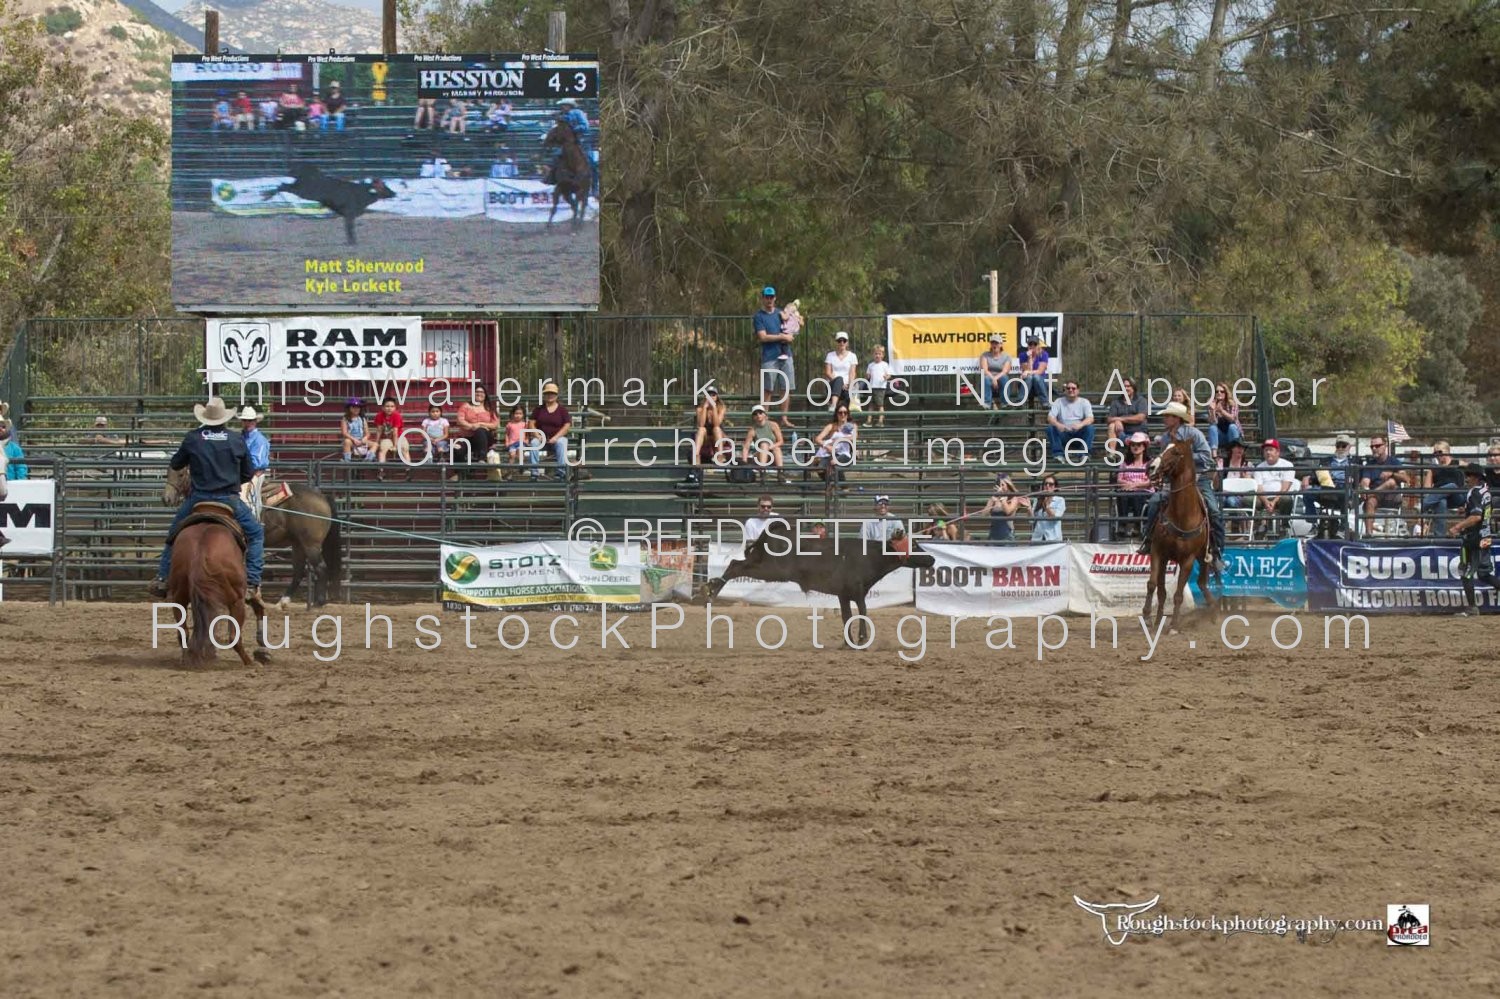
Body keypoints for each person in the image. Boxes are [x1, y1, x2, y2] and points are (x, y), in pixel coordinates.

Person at [148, 398, 264, 601]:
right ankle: (253, 582)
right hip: (228, 499)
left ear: (205, 417)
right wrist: (232, 479)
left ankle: (163, 577)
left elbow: (176, 463)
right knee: (256, 534)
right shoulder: (236, 439)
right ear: (224, 418)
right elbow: (247, 473)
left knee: (173, 535)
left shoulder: (193, 438)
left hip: (198, 499)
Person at [1137, 401, 1225, 571]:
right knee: (1154, 502)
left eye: (1168, 416)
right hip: (1174, 481)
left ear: (1177, 418)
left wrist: (1184, 457)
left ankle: (1217, 551)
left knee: (1214, 510)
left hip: (1198, 479)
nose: (1164, 418)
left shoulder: (1194, 434)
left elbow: (1207, 457)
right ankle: (1148, 540)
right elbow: (1166, 462)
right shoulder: (1165, 438)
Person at [1449, 462, 1500, 616]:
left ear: (1475, 477)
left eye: (1468, 475)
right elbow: (1481, 511)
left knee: (1466, 572)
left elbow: (1476, 516)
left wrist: (1457, 527)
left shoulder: (1475, 492)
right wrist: (1466, 509)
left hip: (1474, 539)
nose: (1466, 478)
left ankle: (1472, 607)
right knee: (1484, 574)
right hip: (1485, 536)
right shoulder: (1485, 490)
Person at [755, 287, 796, 427]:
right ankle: (763, 419)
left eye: (771, 297)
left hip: (786, 355)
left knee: (786, 388)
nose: (769, 300)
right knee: (768, 389)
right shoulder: (759, 316)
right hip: (769, 357)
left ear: (775, 298)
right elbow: (763, 337)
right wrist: (781, 337)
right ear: (763, 298)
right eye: (767, 297)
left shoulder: (781, 313)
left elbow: (792, 326)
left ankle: (784, 418)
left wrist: (791, 334)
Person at [1302, 432, 1356, 539]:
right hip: (1325, 486)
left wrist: (1352, 479)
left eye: (1343, 446)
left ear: (1349, 447)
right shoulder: (1325, 461)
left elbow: (1358, 477)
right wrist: (1307, 477)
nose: (1340, 448)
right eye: (1338, 446)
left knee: (1345, 493)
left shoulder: (1354, 462)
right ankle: (1314, 524)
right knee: (1307, 493)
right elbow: (1315, 475)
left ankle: (1343, 525)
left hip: (1343, 487)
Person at [1358, 432, 1406, 535]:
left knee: (1391, 482)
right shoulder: (1370, 465)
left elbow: (1406, 478)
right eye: (1372, 446)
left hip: (1392, 496)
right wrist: (1364, 487)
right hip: (1376, 497)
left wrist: (1392, 474)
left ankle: (1372, 493)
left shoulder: (1394, 461)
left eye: (1377, 446)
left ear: (1385, 446)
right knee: (1370, 501)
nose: (1374, 448)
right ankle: (1369, 535)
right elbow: (1365, 481)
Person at [1252, 439, 1298, 539]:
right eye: (1266, 450)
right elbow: (1258, 487)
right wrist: (1266, 502)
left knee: (1286, 499)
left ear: (1278, 452)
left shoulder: (1287, 465)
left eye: (1271, 449)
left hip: (1280, 496)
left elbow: (1285, 487)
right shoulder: (1259, 467)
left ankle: (1284, 526)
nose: (1268, 452)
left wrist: (1274, 502)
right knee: (1248, 500)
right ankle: (1260, 525)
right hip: (1263, 497)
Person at [1420, 440, 1466, 538]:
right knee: (1441, 502)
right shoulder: (1433, 469)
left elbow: (1474, 472)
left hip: (1456, 496)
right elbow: (1427, 488)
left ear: (1447, 451)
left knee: (1452, 486)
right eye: (1435, 453)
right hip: (1440, 498)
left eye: (1440, 452)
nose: (1437, 455)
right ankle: (1439, 537)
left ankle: (1424, 506)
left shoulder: (1458, 463)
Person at [529, 382, 572, 481]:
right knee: (534, 443)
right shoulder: (538, 409)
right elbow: (531, 423)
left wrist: (556, 437)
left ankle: (561, 473)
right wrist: (537, 435)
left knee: (562, 443)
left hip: (558, 438)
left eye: (552, 393)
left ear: (556, 395)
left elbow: (567, 425)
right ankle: (534, 473)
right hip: (541, 438)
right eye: (547, 393)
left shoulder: (562, 410)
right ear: (544, 395)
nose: (550, 395)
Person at [1114, 432, 1152, 536]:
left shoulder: (1150, 463)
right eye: (1133, 445)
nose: (1135, 447)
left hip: (1144, 491)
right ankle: (1122, 525)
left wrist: (1135, 485)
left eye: (1139, 445)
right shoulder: (1125, 463)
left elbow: (1151, 481)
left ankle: (1137, 525)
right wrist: (1128, 484)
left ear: (1144, 447)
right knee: (1122, 494)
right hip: (1127, 489)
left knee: (1137, 495)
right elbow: (1119, 479)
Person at [1046, 379, 1095, 458]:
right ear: (1065, 390)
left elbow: (1090, 418)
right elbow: (1050, 418)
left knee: (1090, 428)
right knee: (1051, 428)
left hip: (1079, 434)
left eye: (1073, 388)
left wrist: (1080, 425)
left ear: (1078, 390)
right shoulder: (1058, 401)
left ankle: (1084, 454)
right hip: (1064, 433)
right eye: (1068, 388)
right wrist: (1059, 425)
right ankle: (1058, 455)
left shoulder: (1084, 402)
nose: (1070, 390)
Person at [454, 385, 500, 462]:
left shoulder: (490, 408)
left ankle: (482, 459)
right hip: (467, 438)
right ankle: (462, 469)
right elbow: (460, 420)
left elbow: (495, 424)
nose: (479, 394)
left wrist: (480, 424)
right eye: (477, 392)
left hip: (485, 439)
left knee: (480, 430)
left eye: (482, 392)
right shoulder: (465, 406)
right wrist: (472, 426)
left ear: (485, 395)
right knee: (457, 449)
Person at [237, 406, 270, 512]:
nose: (247, 423)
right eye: (244, 420)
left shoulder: (259, 440)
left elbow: (256, 463)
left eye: (250, 420)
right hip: (241, 474)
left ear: (255, 421)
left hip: (254, 475)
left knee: (245, 500)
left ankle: (254, 515)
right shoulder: (240, 437)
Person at [813, 405, 857, 480]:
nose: (843, 415)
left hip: (845, 454)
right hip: (831, 453)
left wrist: (838, 440)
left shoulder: (852, 426)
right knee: (820, 468)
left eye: (845, 412)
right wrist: (827, 446)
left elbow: (854, 437)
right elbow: (817, 439)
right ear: (837, 414)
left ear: (848, 414)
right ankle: (832, 484)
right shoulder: (831, 426)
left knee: (835, 464)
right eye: (840, 413)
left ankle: (841, 485)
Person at [982, 474, 1031, 541]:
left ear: (1008, 485)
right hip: (993, 534)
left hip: (1007, 534)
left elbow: (1008, 512)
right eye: (998, 484)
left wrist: (1002, 499)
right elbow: (984, 514)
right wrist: (991, 501)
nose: (1000, 487)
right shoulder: (994, 498)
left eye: (1002, 485)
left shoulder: (1014, 498)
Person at [692, 386, 731, 468]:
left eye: (713, 395)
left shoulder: (721, 408)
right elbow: (701, 424)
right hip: (706, 437)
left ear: (717, 397)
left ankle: (720, 455)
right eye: (709, 395)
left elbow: (717, 424)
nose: (711, 397)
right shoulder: (700, 409)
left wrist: (714, 408)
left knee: (716, 429)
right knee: (701, 429)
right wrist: (705, 408)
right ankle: (696, 455)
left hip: (718, 436)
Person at [1105, 377, 1148, 447]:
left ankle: (1130, 441)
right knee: (1112, 426)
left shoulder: (1141, 400)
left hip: (1139, 432)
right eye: (1124, 386)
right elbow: (1109, 419)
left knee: (1138, 438)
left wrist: (1119, 419)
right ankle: (1112, 453)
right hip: (1121, 432)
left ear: (1133, 388)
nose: (1126, 388)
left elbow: (1140, 418)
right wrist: (1116, 421)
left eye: (1128, 386)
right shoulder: (1116, 402)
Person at [742, 403, 784, 474]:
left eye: (760, 413)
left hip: (773, 453)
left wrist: (771, 447)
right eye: (755, 414)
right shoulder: (752, 430)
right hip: (759, 455)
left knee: (777, 449)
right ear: (753, 417)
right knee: (764, 445)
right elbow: (746, 447)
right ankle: (762, 471)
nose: (758, 415)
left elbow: (781, 441)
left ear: (764, 414)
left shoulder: (773, 425)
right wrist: (744, 462)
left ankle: (780, 473)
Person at [372, 398, 407, 477]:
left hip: (398, 436)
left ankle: (408, 469)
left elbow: (395, 432)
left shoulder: (397, 416)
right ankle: (381, 470)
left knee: (405, 448)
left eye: (392, 406)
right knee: (382, 450)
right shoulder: (379, 416)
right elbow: (379, 430)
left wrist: (395, 446)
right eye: (387, 406)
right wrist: (376, 442)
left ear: (395, 408)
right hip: (386, 438)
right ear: (383, 407)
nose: (389, 408)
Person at [824, 332, 858, 412]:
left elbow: (852, 373)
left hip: (846, 387)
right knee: (839, 379)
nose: (842, 343)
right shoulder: (830, 355)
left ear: (847, 343)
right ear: (836, 342)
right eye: (839, 340)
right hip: (832, 385)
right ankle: (833, 405)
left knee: (848, 396)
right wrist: (841, 384)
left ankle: (844, 416)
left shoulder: (852, 356)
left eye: (844, 340)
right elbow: (828, 372)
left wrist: (849, 385)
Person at [978, 335, 1015, 409]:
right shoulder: (985, 355)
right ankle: (986, 404)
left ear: (1001, 344)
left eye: (996, 343)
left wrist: (995, 378)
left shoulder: (1006, 357)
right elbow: (985, 370)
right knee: (985, 378)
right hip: (988, 379)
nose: (994, 345)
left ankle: (1005, 403)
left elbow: (1005, 371)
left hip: (1000, 380)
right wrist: (993, 378)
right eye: (993, 343)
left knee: (1004, 377)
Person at [1207, 382, 1242, 451]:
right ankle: (1214, 454)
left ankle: (1234, 452)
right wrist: (1213, 411)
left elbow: (1233, 419)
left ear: (1226, 393)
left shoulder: (1233, 403)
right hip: (1221, 437)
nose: (1219, 393)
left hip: (1233, 435)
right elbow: (1213, 422)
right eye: (1217, 391)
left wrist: (1221, 411)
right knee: (1212, 427)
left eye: (1222, 391)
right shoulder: (1212, 404)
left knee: (1232, 427)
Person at [1017, 334, 1051, 404]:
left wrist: (1028, 372)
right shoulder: (1023, 355)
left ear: (1038, 345)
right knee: (1029, 378)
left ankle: (1045, 402)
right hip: (1027, 383)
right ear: (1027, 345)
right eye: (1030, 344)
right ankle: (1020, 402)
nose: (1032, 346)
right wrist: (1029, 358)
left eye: (1035, 344)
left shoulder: (1044, 354)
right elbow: (1027, 370)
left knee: (1036, 377)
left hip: (1040, 383)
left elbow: (1040, 371)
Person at [1031, 475, 1065, 542]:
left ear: (1055, 486)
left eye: (1051, 484)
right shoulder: (1037, 500)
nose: (1047, 486)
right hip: (1038, 538)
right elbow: (1031, 520)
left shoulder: (1060, 500)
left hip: (1053, 539)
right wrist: (1029, 508)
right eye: (1045, 484)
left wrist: (1047, 506)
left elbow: (1056, 517)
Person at [866, 345, 893, 427]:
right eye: (875, 354)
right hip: (872, 387)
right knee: (871, 404)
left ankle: (880, 421)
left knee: (880, 405)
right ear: (873, 355)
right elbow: (868, 375)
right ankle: (869, 421)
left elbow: (889, 375)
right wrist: (868, 376)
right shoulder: (870, 365)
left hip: (880, 388)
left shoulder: (885, 364)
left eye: (879, 354)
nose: (877, 355)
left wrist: (886, 377)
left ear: (882, 355)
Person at [422, 404, 452, 472]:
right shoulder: (426, 421)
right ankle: (428, 457)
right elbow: (423, 433)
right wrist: (430, 439)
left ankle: (441, 458)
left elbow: (446, 434)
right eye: (433, 412)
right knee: (427, 446)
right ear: (429, 412)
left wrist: (437, 439)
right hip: (429, 439)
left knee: (441, 445)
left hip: (441, 439)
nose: (435, 413)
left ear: (440, 412)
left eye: (437, 411)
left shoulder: (444, 421)